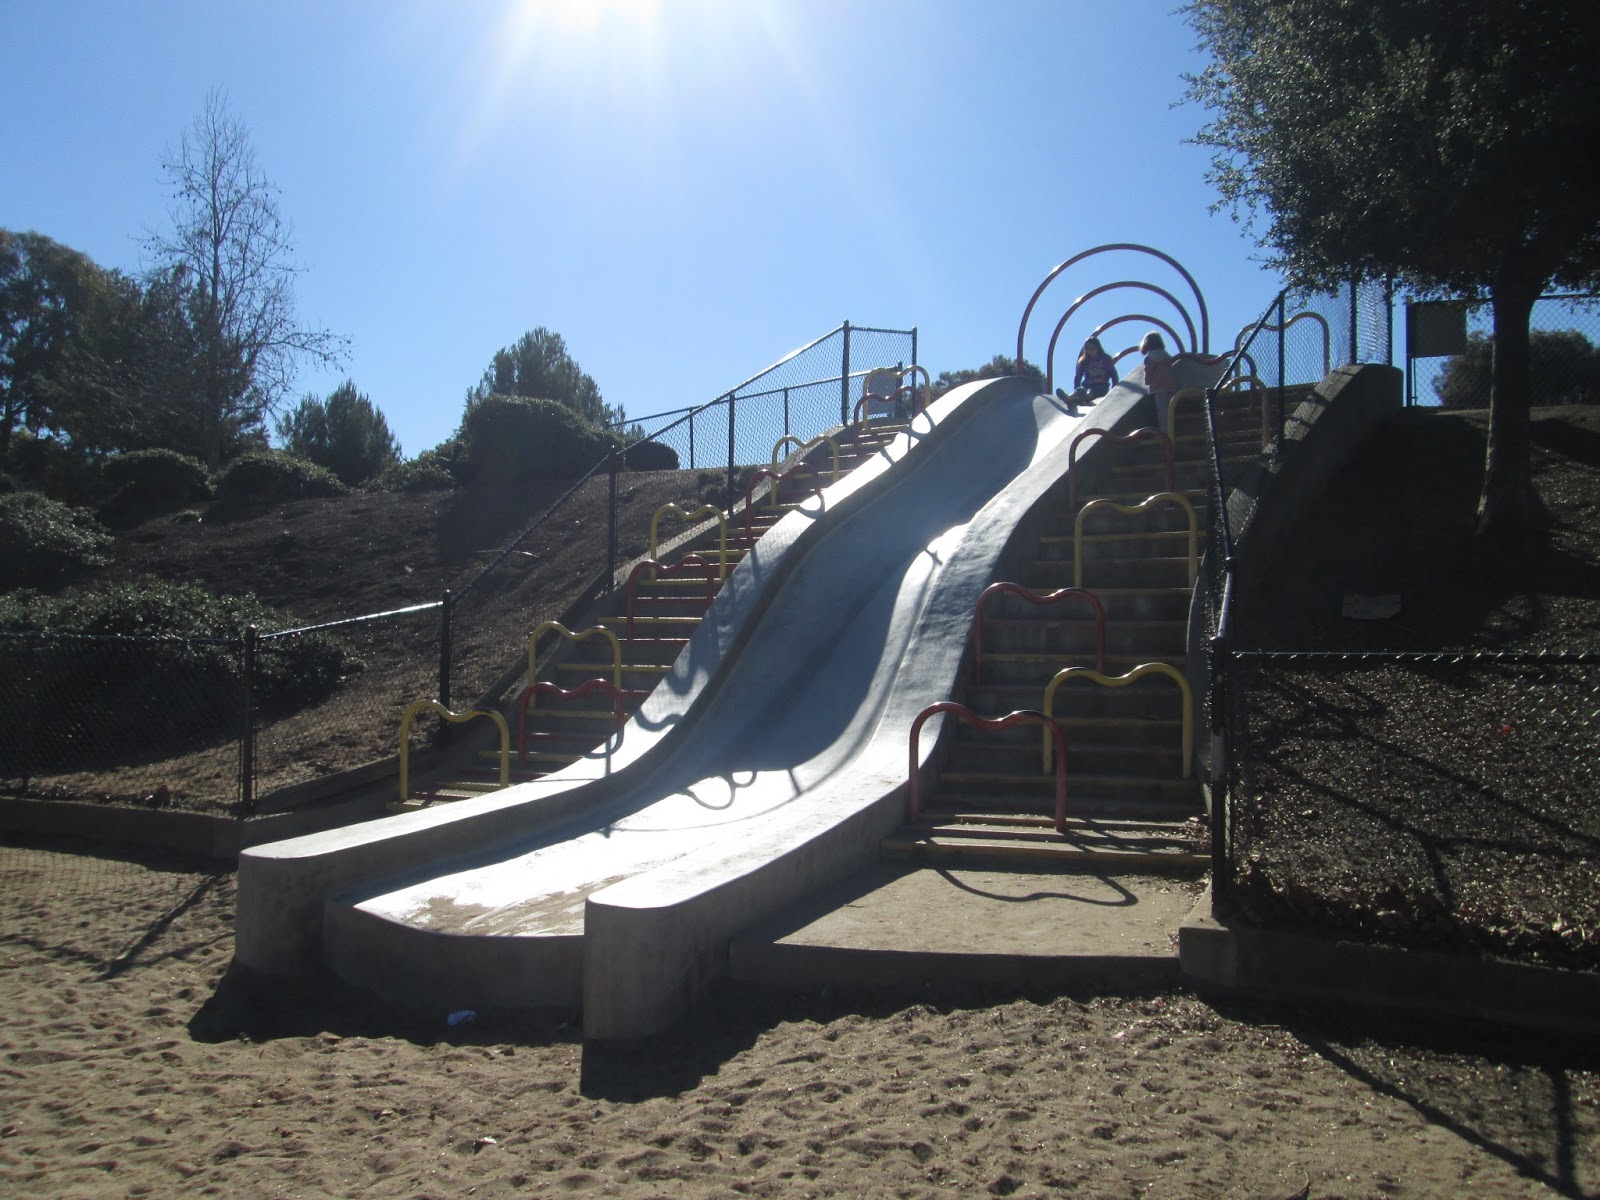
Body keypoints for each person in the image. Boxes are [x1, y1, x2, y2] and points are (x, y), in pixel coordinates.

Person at [1141, 331, 1177, 434]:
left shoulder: (1149, 358)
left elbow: (1148, 372)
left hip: (1158, 387)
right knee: (1171, 410)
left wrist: (1147, 381)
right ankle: (1174, 430)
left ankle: (1165, 433)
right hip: (1170, 385)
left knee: (1162, 412)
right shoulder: (1166, 355)